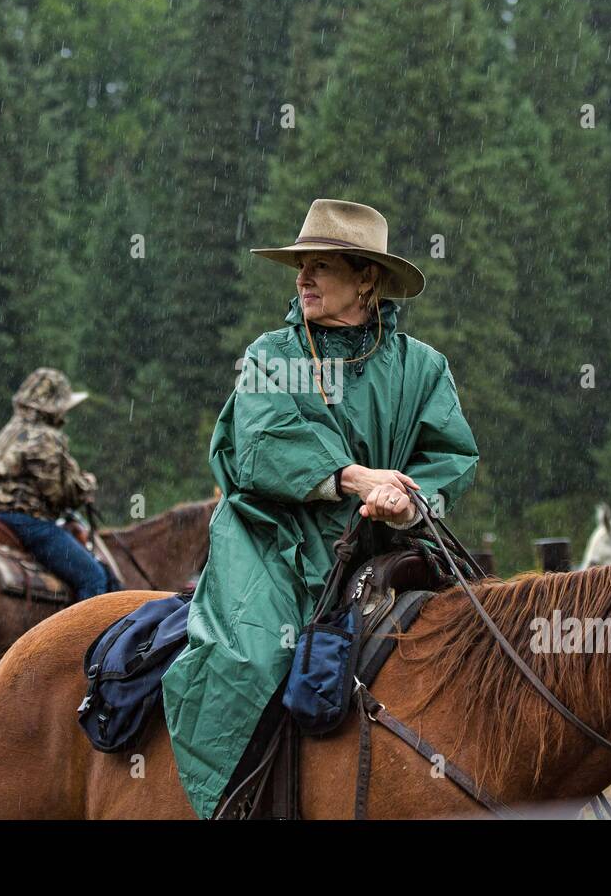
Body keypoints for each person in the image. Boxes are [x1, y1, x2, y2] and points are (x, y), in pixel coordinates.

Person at [161, 198, 479, 818]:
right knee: (250, 656)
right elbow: (257, 444)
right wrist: (356, 479)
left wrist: (407, 501)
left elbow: (452, 456)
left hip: (387, 542)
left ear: (366, 279)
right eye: (300, 265)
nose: (303, 278)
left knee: (478, 640)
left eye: (321, 266)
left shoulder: (424, 367)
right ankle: (232, 804)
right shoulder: (270, 356)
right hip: (273, 536)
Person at [0, 368, 114, 600]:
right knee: (94, 578)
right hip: (30, 521)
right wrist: (85, 488)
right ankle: (86, 636)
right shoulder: (46, 437)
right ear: (53, 407)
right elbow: (56, 493)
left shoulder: (10, 431)